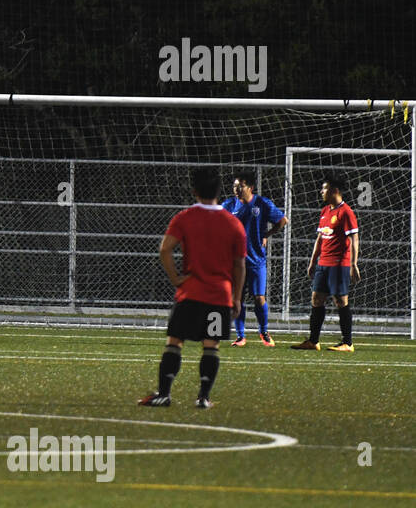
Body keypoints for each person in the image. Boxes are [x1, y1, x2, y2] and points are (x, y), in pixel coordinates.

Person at [139, 167, 246, 409]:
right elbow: (240, 265)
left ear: (194, 190)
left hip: (190, 294)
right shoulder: (233, 224)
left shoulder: (184, 218)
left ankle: (164, 394)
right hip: (219, 297)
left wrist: (176, 278)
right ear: (219, 191)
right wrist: (236, 298)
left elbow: (165, 249)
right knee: (211, 345)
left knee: (174, 342)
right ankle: (203, 397)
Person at [293, 174, 361, 352]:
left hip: (339, 263)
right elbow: (319, 238)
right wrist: (312, 260)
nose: (321, 191)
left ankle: (348, 343)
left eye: (324, 188)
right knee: (316, 299)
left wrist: (353, 264)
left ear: (335, 191)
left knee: (340, 300)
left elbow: (354, 238)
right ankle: (313, 341)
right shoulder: (325, 211)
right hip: (323, 263)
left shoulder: (346, 212)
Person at [222, 172, 288, 346]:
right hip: (236, 262)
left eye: (240, 186)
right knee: (238, 299)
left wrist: (267, 234)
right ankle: (240, 335)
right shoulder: (229, 205)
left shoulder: (261, 203)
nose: (236, 189)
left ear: (250, 188)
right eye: (235, 186)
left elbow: (282, 221)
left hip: (256, 259)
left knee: (259, 297)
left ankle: (264, 331)